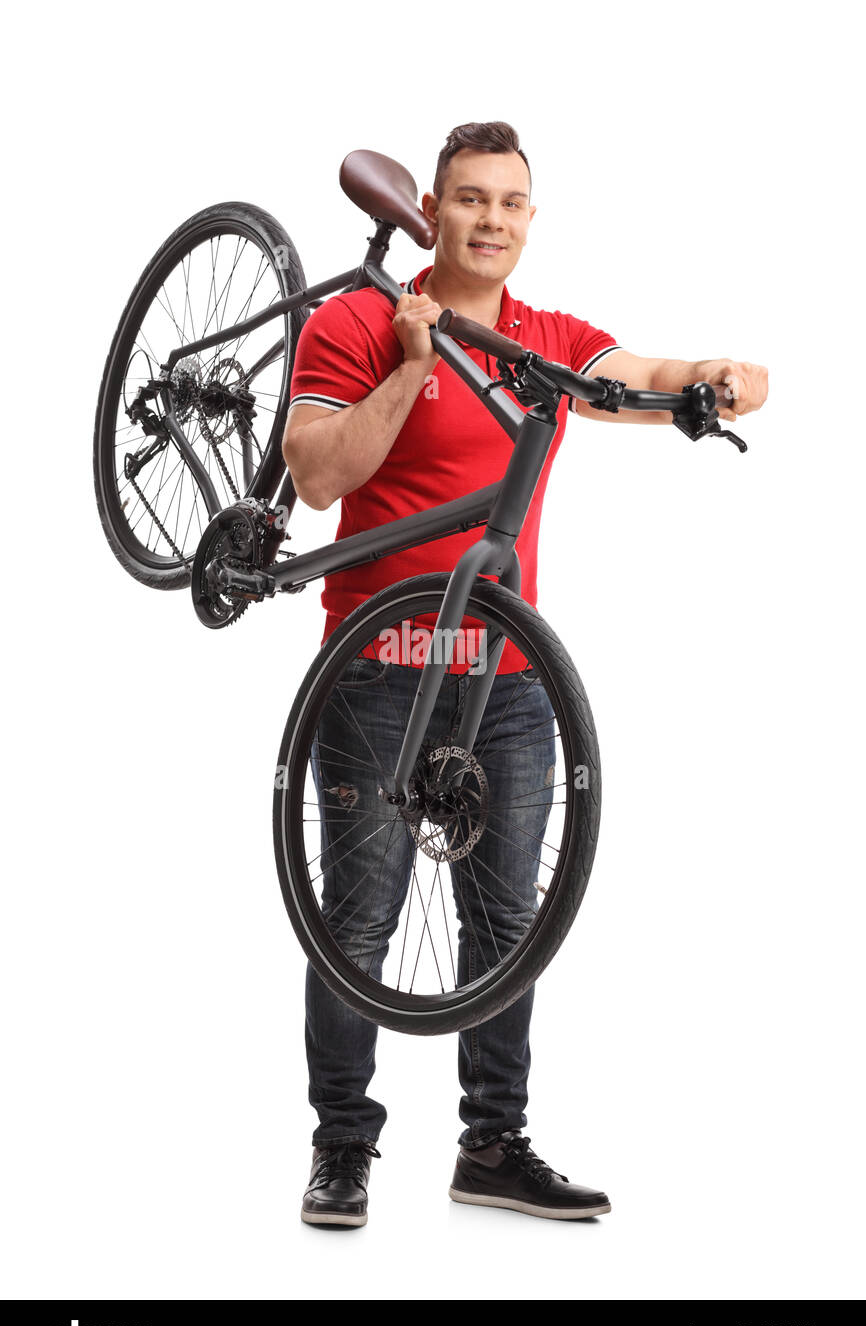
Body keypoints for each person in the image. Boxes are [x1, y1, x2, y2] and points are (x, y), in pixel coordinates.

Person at [282, 121, 769, 1228]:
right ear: (431, 212)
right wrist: (411, 367)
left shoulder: (540, 342)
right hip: (374, 673)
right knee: (357, 922)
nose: (489, 220)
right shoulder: (359, 319)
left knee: (506, 919)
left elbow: (628, 376)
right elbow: (317, 476)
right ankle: (340, 1148)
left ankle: (492, 1145)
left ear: (528, 220)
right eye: (467, 199)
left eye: (509, 203)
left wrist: (716, 378)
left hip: (503, 683)